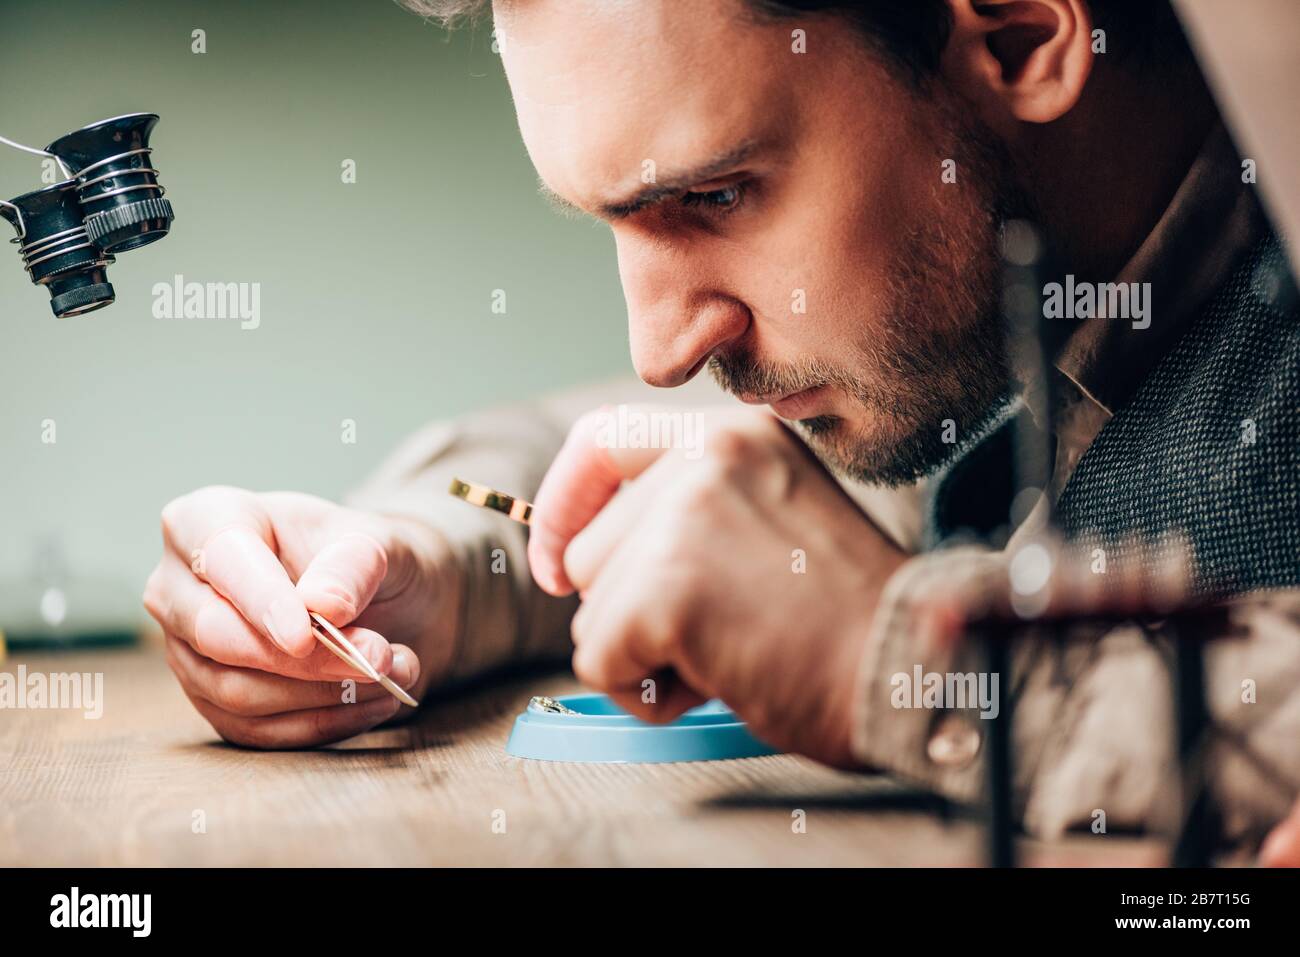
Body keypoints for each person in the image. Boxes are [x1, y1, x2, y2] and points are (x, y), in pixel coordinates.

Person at [142, 0, 1300, 861]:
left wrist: (895, 657)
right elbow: (625, 445)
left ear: (1017, 37)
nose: (661, 350)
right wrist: (423, 569)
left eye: (713, 196)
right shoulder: (999, 325)